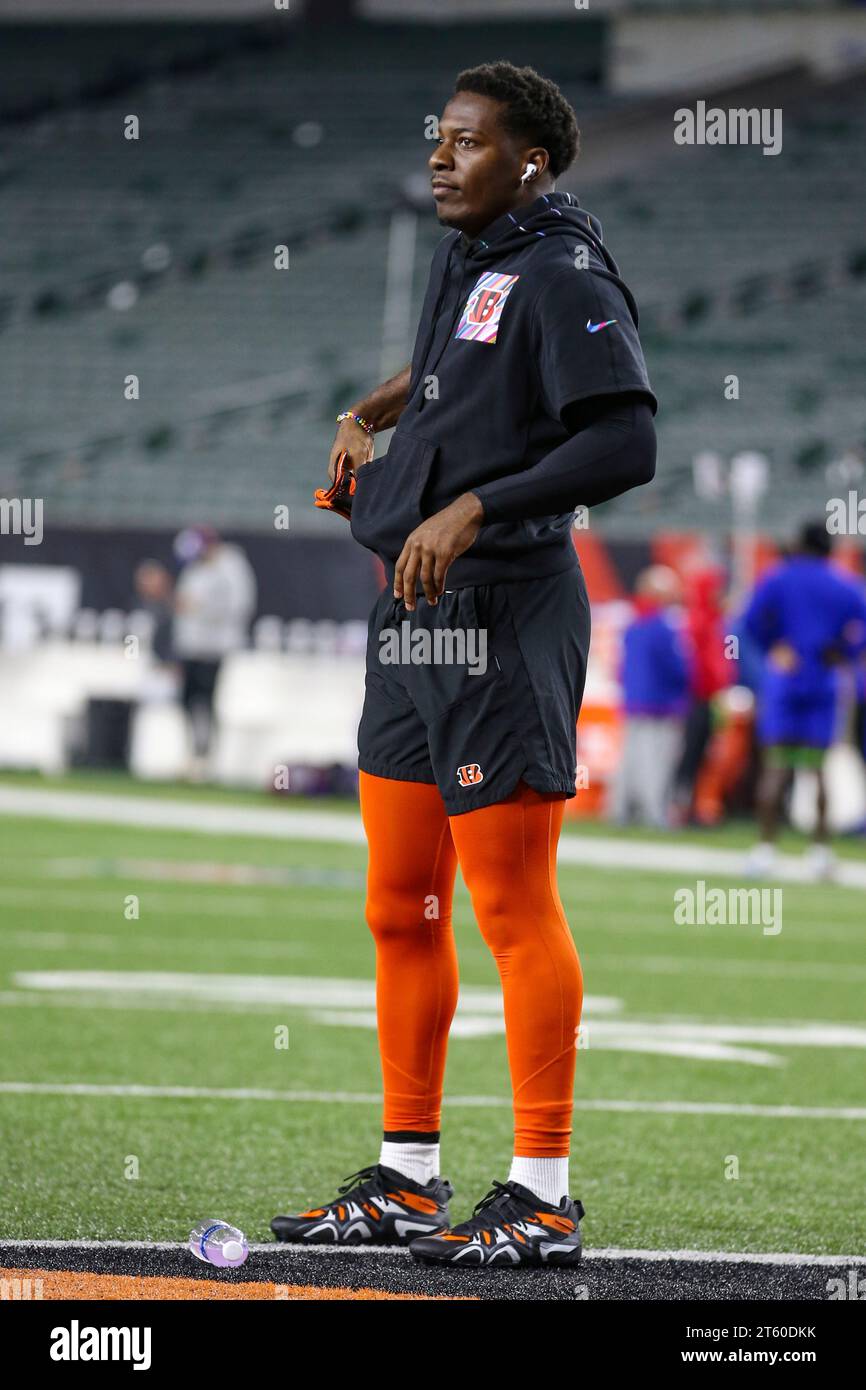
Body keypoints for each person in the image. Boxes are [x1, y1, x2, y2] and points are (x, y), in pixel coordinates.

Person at [272, 61, 657, 1267]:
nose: (441, 158)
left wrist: (475, 508)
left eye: (467, 143)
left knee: (508, 904)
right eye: (438, 139)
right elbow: (449, 373)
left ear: (528, 159)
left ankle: (540, 1193)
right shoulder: (472, 254)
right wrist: (372, 414)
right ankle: (405, 1176)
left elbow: (625, 436)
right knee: (399, 902)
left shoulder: (562, 273)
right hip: (414, 618)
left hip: (505, 615)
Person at [741, 521, 866, 879]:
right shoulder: (843, 583)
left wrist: (774, 647)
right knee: (818, 769)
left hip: (785, 679)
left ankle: (765, 851)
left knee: (776, 766)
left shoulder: (778, 578)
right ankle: (820, 853)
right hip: (824, 681)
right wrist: (842, 652)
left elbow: (749, 621)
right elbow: (862, 626)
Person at [172, 526, 257, 777]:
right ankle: (192, 753)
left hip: (215, 647)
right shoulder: (193, 569)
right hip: (191, 646)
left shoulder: (231, 566)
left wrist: (202, 610)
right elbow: (183, 607)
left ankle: (207, 758)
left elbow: (239, 606)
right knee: (187, 700)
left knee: (207, 701)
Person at [608, 566, 689, 827]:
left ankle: (619, 810)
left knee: (630, 758)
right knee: (656, 762)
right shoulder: (663, 626)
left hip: (634, 702)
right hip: (660, 705)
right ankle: (654, 813)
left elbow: (620, 668)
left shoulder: (632, 623)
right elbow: (677, 668)